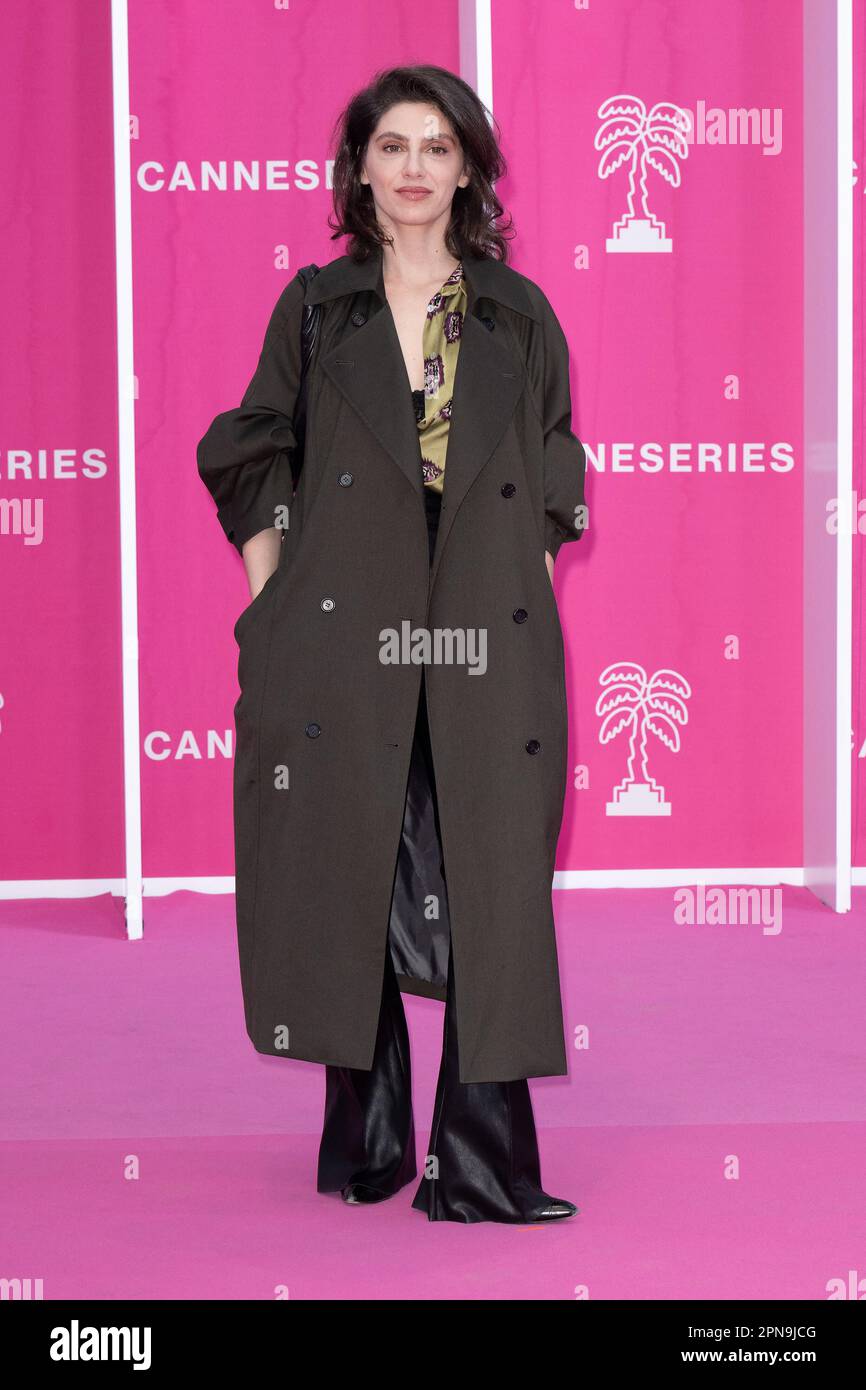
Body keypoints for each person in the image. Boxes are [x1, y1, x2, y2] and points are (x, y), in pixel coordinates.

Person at [197, 65, 588, 1224]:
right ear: (358, 168)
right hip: (341, 611)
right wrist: (275, 583)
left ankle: (475, 1166)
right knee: (344, 857)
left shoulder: (517, 311)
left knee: (491, 874)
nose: (413, 168)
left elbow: (555, 463)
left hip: (482, 614)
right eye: (391, 147)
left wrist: (520, 570)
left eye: (435, 147)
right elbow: (250, 445)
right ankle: (368, 1140)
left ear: (467, 167)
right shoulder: (316, 308)